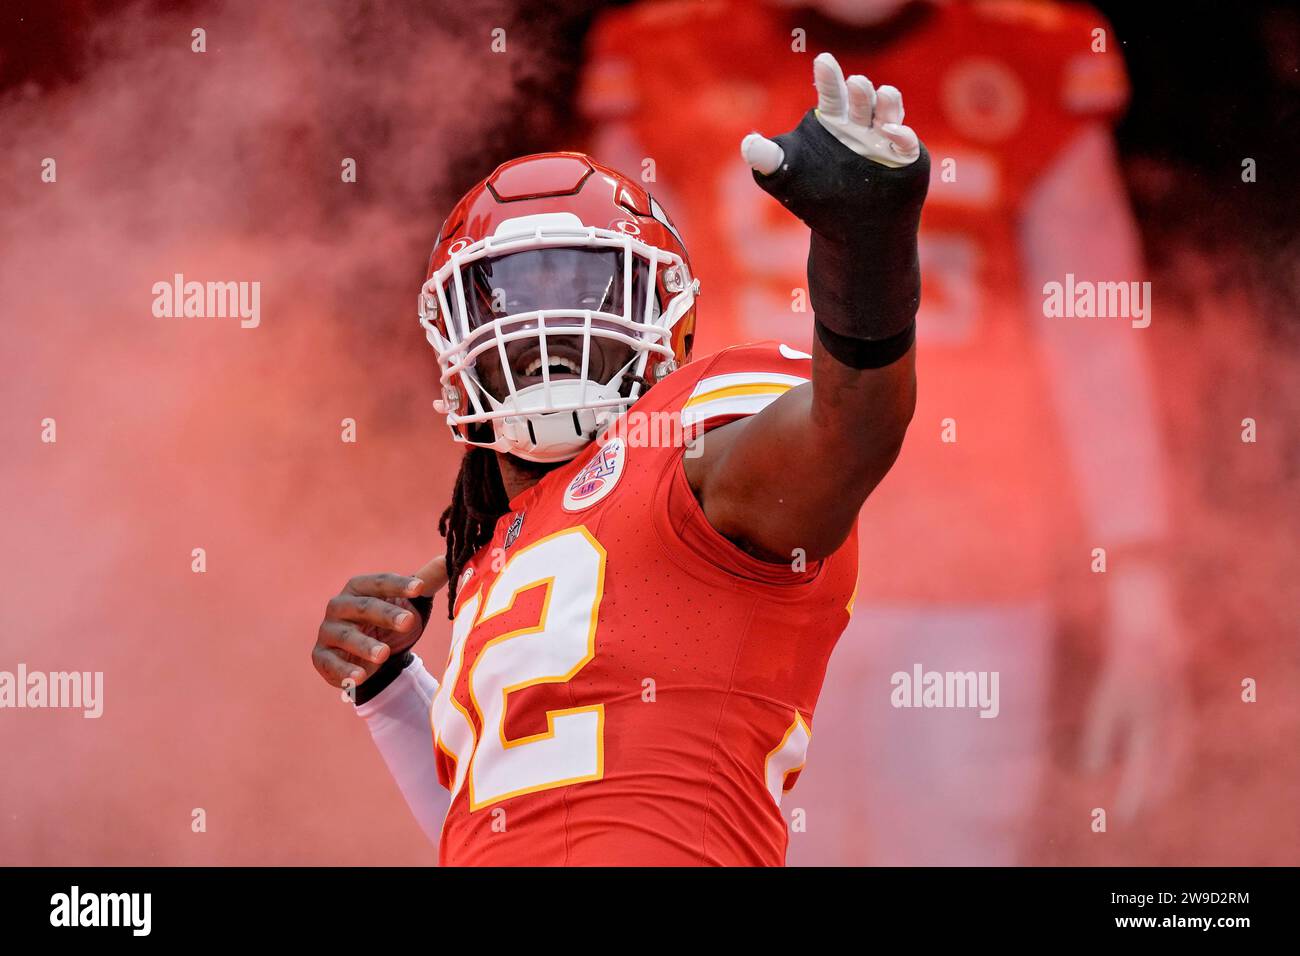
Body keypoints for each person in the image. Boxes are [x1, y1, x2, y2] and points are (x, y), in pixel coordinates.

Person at [578, 0, 1188, 864]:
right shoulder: (666, 47)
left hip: (972, 567)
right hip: (741, 553)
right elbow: (618, 342)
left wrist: (1139, 578)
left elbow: (1094, 328)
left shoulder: (1031, 49)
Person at [311, 52, 930, 865]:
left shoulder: (690, 451)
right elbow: (496, 833)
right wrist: (389, 695)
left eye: (583, 292)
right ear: (451, 339)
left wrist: (867, 250)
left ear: (671, 323)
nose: (543, 331)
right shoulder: (492, 556)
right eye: (510, 297)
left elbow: (849, 427)